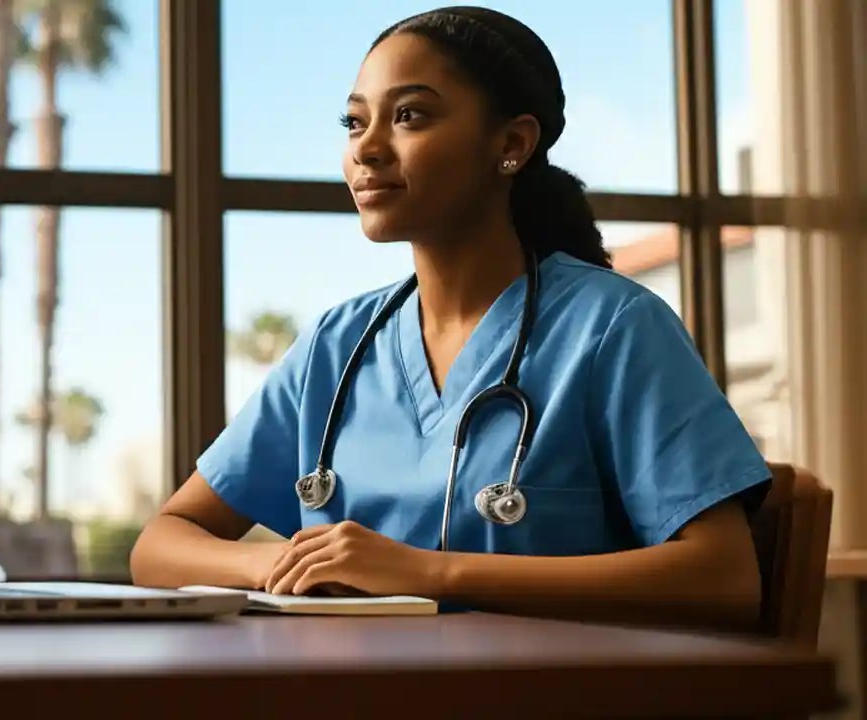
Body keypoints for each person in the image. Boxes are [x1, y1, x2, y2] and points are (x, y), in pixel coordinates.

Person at [129, 6, 771, 632]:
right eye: (355, 124)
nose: (368, 149)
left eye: (409, 116)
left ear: (513, 144)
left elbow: (723, 578)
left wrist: (427, 573)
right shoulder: (337, 344)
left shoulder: (614, 327)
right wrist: (287, 562)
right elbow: (160, 546)